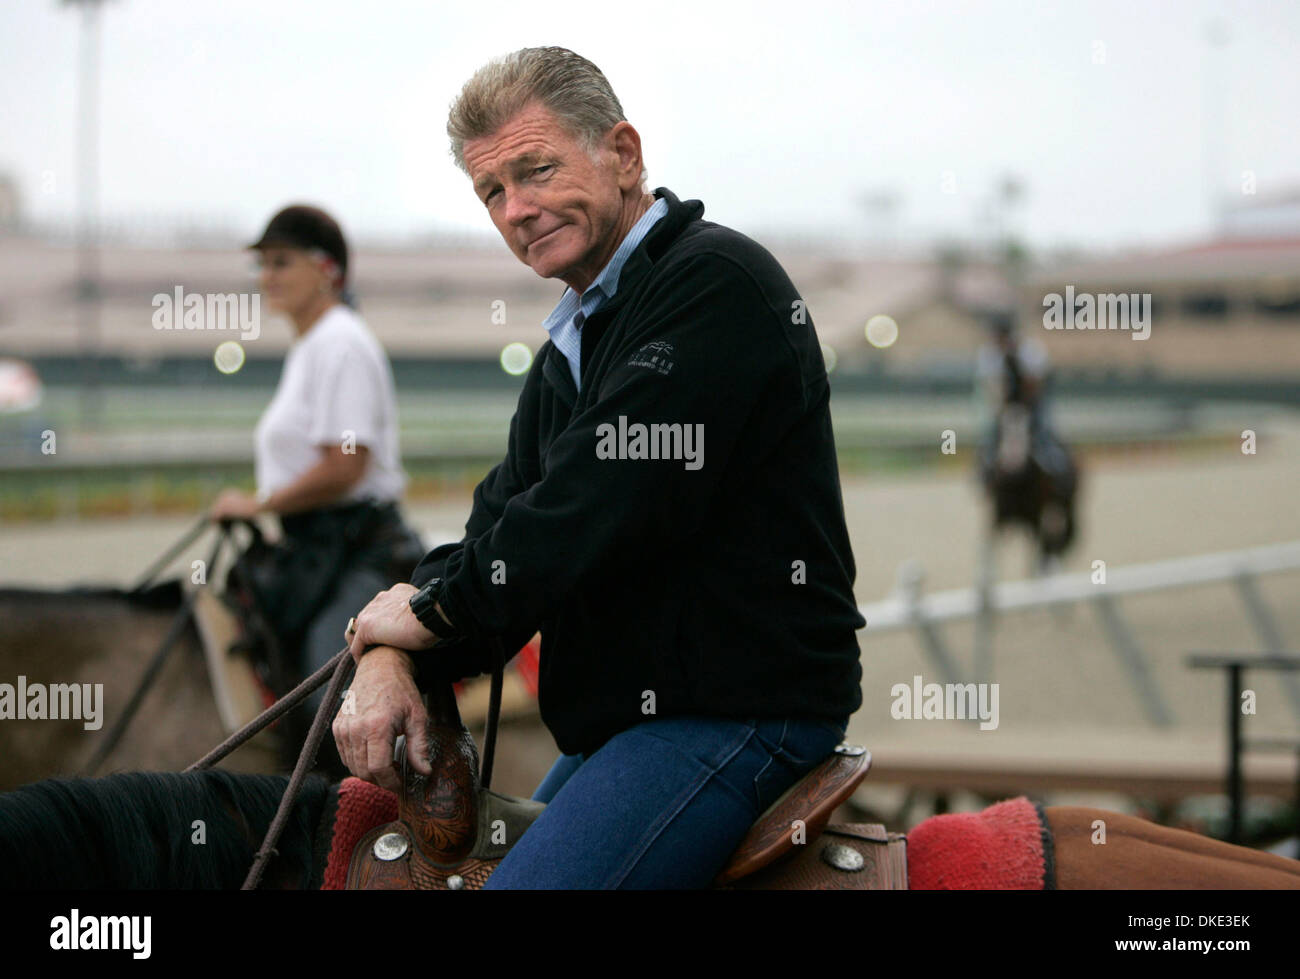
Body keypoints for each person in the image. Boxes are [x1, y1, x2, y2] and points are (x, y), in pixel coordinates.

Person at [335, 47, 864, 888]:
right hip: (625, 727)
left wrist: (425, 614)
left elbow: (583, 512)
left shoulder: (715, 287)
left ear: (623, 152)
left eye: (536, 170)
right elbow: (499, 526)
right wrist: (393, 651)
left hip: (737, 712)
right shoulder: (571, 349)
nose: (518, 209)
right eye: (492, 193)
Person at [210, 204, 424, 772]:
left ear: (327, 269)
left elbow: (347, 465)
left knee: (323, 691)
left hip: (360, 547)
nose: (267, 277)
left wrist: (258, 504)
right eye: (262, 265)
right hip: (314, 547)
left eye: (281, 262)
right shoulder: (313, 345)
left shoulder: (341, 343)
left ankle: (356, 822)